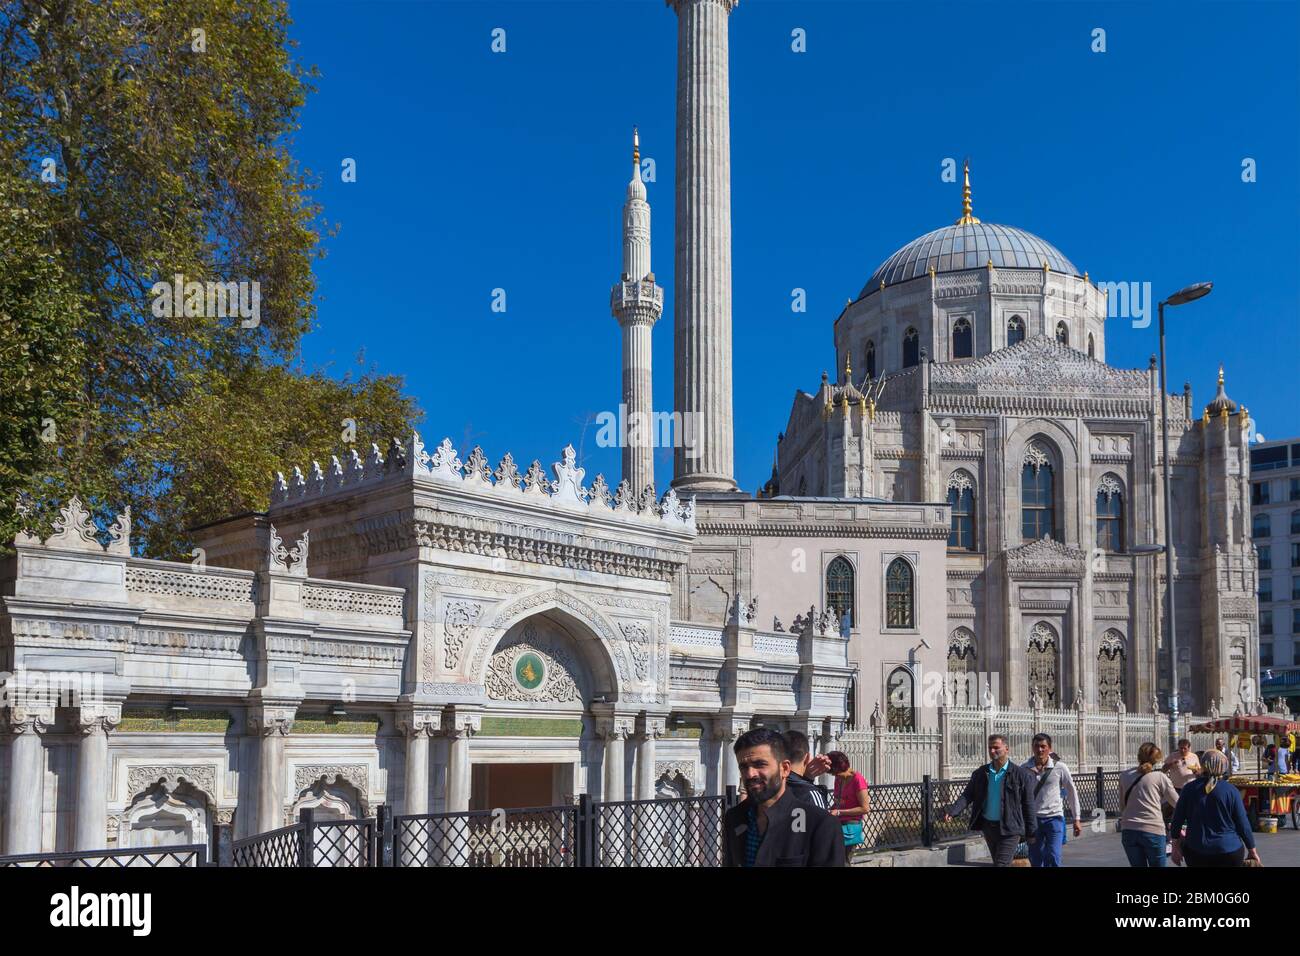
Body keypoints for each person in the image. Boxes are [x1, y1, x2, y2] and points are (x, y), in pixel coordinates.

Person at [722, 727, 843, 867]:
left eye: (759, 764)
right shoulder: (735, 817)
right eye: (743, 767)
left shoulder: (819, 824)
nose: (750, 774)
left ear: (785, 769)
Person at [942, 734, 1036, 867]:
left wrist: (1031, 832)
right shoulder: (981, 773)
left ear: (1006, 749)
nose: (992, 751)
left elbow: (1029, 805)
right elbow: (968, 795)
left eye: (996, 747)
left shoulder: (1020, 775)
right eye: (990, 748)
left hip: (1010, 828)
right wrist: (953, 811)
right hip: (989, 827)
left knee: (1001, 864)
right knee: (1000, 862)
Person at [1170, 749, 1261, 868]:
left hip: (1196, 850)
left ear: (1202, 765)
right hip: (1228, 850)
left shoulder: (1188, 789)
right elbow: (1242, 823)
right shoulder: (1231, 791)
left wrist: (1175, 847)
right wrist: (1252, 850)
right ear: (1223, 767)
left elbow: (1177, 820)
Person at [1020, 734, 1080, 867]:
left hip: (1054, 818)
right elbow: (1019, 796)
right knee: (1036, 858)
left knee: (1054, 856)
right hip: (1033, 820)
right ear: (1032, 748)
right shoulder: (1024, 769)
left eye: (1043, 746)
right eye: (1037, 746)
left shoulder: (1060, 767)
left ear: (1049, 748)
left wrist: (1077, 819)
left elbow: (1071, 792)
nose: (1040, 750)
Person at [1119, 742, 1180, 867]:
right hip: (1153, 830)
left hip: (1128, 829)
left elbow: (1122, 806)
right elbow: (1177, 803)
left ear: (1138, 756)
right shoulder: (1160, 777)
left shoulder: (1124, 775)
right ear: (1157, 760)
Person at [826, 750, 869, 861]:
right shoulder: (838, 779)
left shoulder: (857, 779)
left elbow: (865, 808)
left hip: (851, 825)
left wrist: (840, 812)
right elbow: (838, 802)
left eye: (835, 773)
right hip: (838, 822)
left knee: (843, 860)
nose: (835, 776)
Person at [781, 730, 830, 810]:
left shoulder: (771, 788)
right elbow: (823, 821)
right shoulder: (810, 793)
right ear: (807, 758)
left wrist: (807, 778)